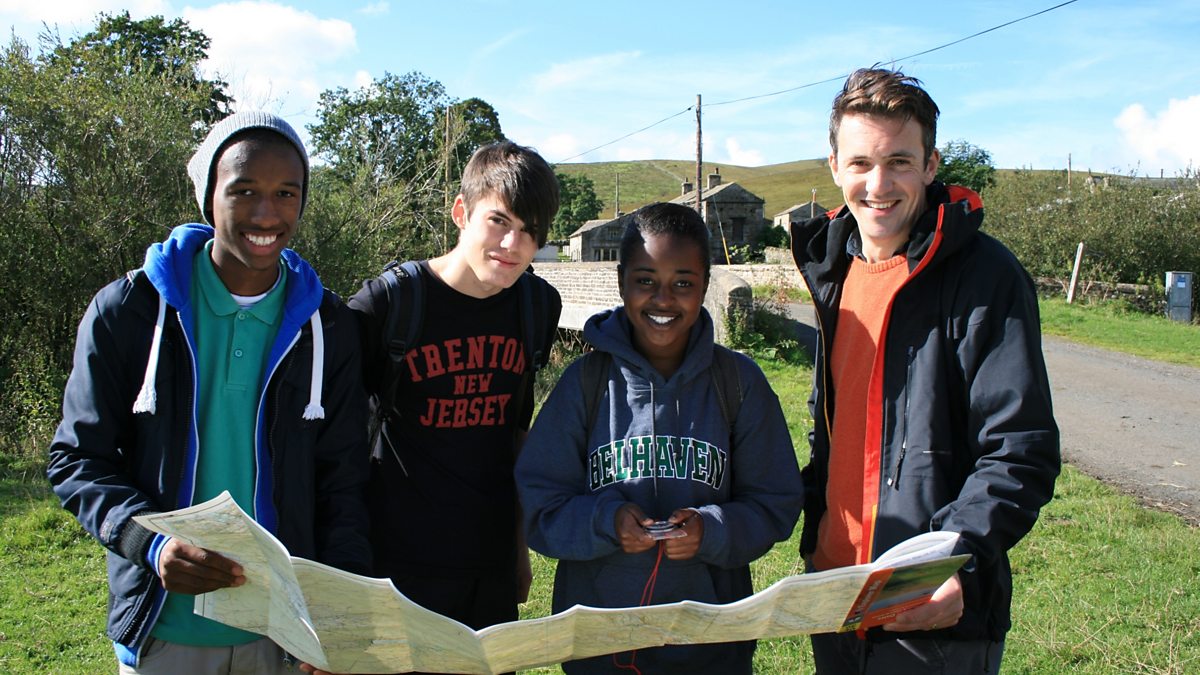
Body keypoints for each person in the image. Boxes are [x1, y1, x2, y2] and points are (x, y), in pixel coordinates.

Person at [46, 111, 372, 674]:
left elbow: (342, 480)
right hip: (165, 630)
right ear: (208, 197)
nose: (266, 213)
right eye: (243, 190)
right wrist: (149, 543)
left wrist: (335, 616)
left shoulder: (329, 326)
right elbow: (76, 458)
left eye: (285, 193)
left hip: (282, 631)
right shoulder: (129, 311)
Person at [790, 67, 1061, 673]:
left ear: (932, 164)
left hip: (934, 609)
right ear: (834, 166)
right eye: (860, 163)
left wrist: (958, 560)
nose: (878, 184)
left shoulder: (987, 277)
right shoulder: (832, 271)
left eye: (900, 162)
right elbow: (832, 424)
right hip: (833, 595)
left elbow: (1021, 450)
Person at [516, 202, 804, 674]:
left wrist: (711, 530)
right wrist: (605, 522)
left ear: (705, 287)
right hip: (599, 650)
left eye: (683, 283)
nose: (663, 299)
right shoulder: (585, 384)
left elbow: (775, 502)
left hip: (711, 648)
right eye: (645, 280)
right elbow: (539, 504)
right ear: (621, 283)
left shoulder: (738, 384)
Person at [348, 141, 561, 646]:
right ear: (461, 212)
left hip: (487, 572)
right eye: (499, 221)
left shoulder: (536, 307)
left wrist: (517, 549)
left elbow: (516, 432)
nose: (513, 244)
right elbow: (328, 441)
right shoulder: (389, 304)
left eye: (530, 231)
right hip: (393, 568)